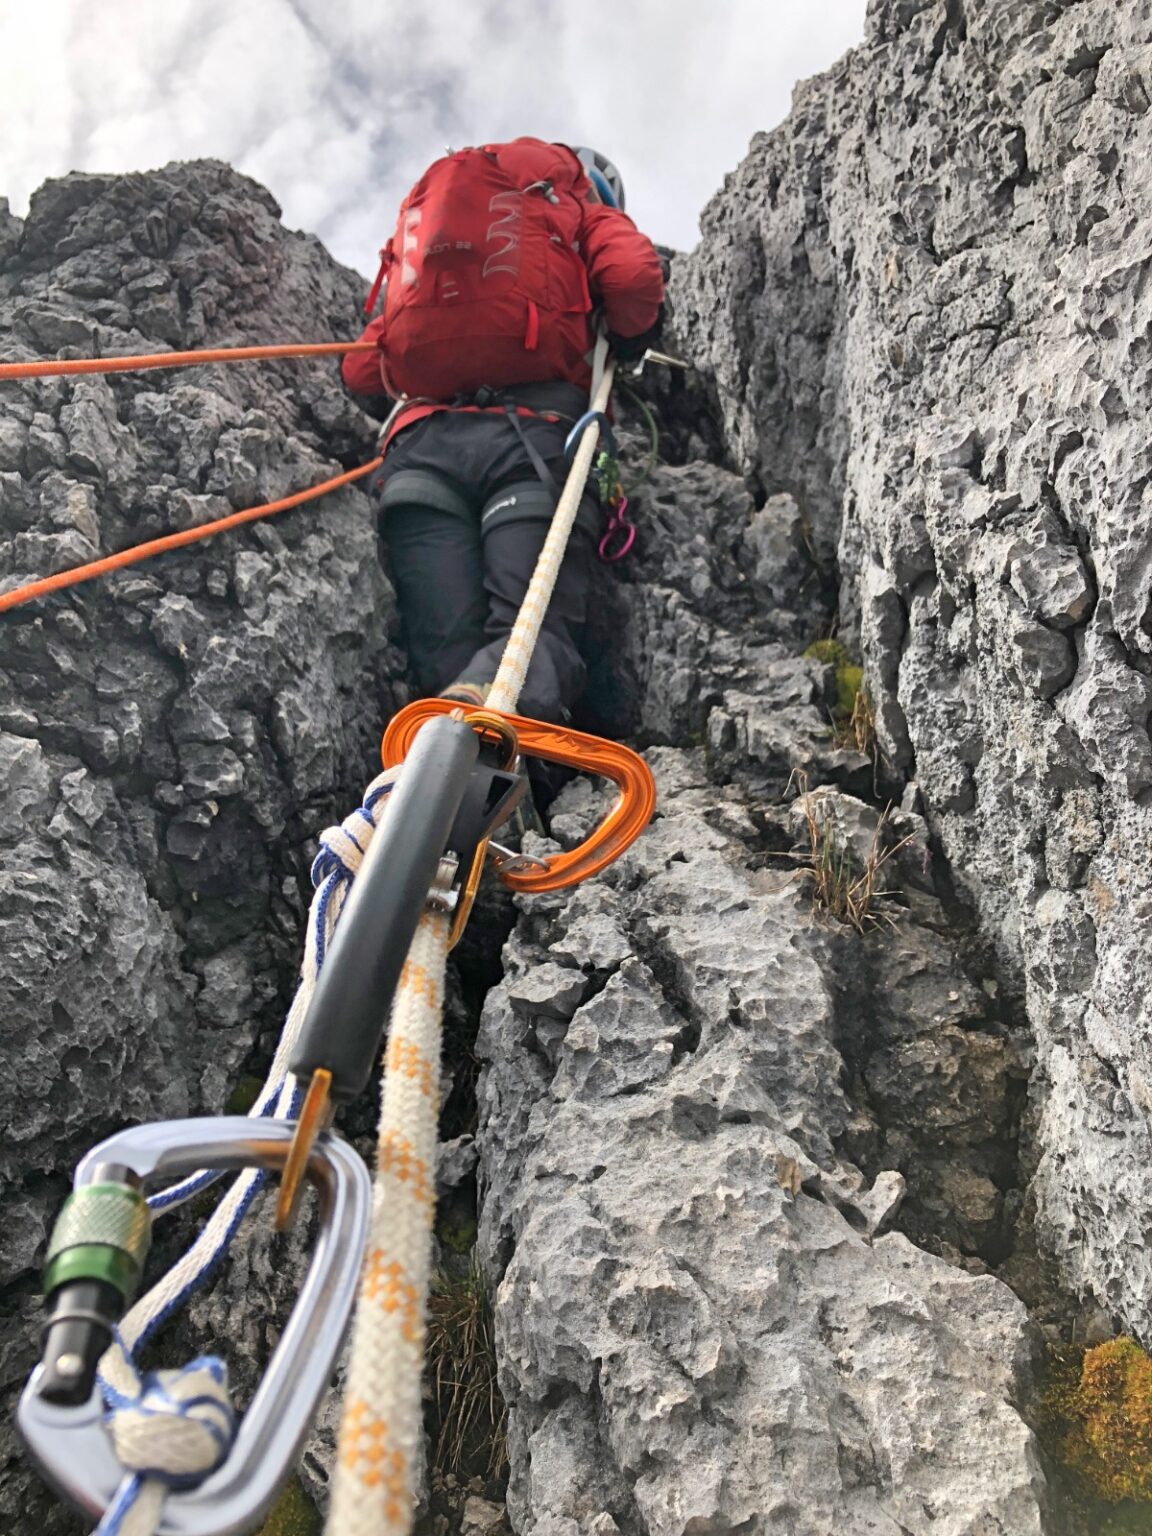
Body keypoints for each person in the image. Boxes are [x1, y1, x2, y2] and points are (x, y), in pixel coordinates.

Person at [341, 139, 664, 805]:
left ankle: (431, 820)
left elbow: (362, 368)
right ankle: (488, 791)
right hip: (532, 442)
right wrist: (628, 336)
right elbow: (632, 277)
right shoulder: (575, 201)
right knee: (527, 635)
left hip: (418, 456)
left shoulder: (438, 226)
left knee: (448, 654)